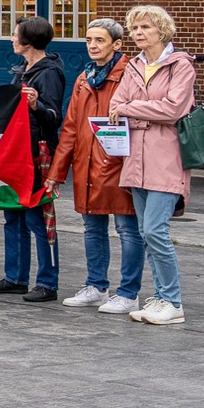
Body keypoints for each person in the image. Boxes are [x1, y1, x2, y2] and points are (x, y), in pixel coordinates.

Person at [47, 18, 140, 313]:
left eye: (99, 40)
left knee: (128, 229)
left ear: (117, 45)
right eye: (89, 40)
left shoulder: (131, 75)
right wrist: (57, 173)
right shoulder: (84, 78)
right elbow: (71, 128)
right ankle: (97, 286)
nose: (92, 46)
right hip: (88, 164)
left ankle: (128, 292)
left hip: (120, 163)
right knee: (92, 228)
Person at [109, 4, 194, 326]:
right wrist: (138, 109)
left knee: (155, 230)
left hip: (166, 158)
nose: (138, 34)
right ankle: (160, 296)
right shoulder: (133, 66)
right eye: (135, 29)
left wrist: (132, 109)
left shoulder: (180, 66)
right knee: (146, 233)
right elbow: (116, 104)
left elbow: (173, 109)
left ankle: (173, 301)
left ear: (161, 30)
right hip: (137, 160)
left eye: (145, 27)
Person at [0, 17, 65, 302]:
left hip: (37, 153)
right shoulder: (23, 71)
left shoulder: (49, 73)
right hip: (17, 153)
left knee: (39, 218)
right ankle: (15, 277)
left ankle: (47, 282)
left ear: (28, 41)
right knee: (13, 216)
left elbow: (54, 117)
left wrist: (37, 105)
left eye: (15, 35)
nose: (11, 39)